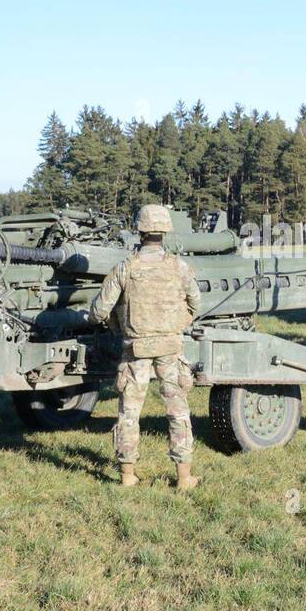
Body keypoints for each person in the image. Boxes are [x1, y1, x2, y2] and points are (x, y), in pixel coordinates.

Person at [90, 204, 202, 489]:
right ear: (165, 230)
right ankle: (184, 477)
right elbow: (196, 304)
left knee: (129, 413)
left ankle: (127, 476)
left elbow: (99, 311)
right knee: (178, 411)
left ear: (139, 229)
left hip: (134, 349)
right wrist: (177, 323)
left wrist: (116, 324)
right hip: (170, 347)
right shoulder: (179, 267)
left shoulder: (125, 268)